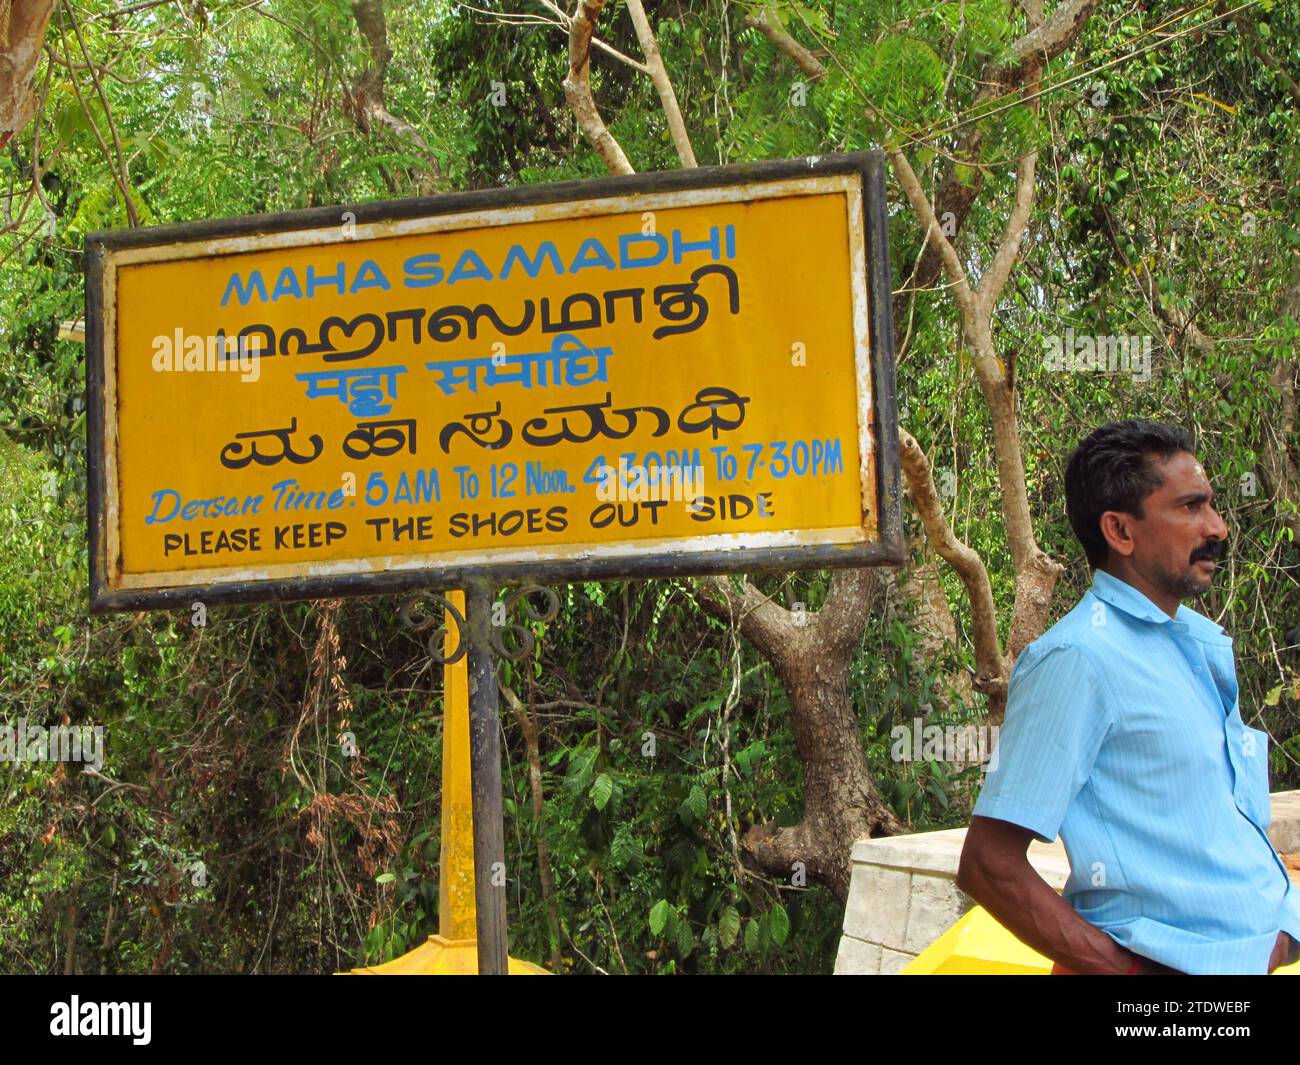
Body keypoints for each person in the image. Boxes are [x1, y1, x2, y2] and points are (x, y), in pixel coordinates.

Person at [957, 419, 1300, 974]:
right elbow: (988, 864)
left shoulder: (1196, 644)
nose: (1217, 528)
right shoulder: (1077, 659)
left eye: (1211, 505)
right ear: (1120, 531)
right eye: (1190, 508)